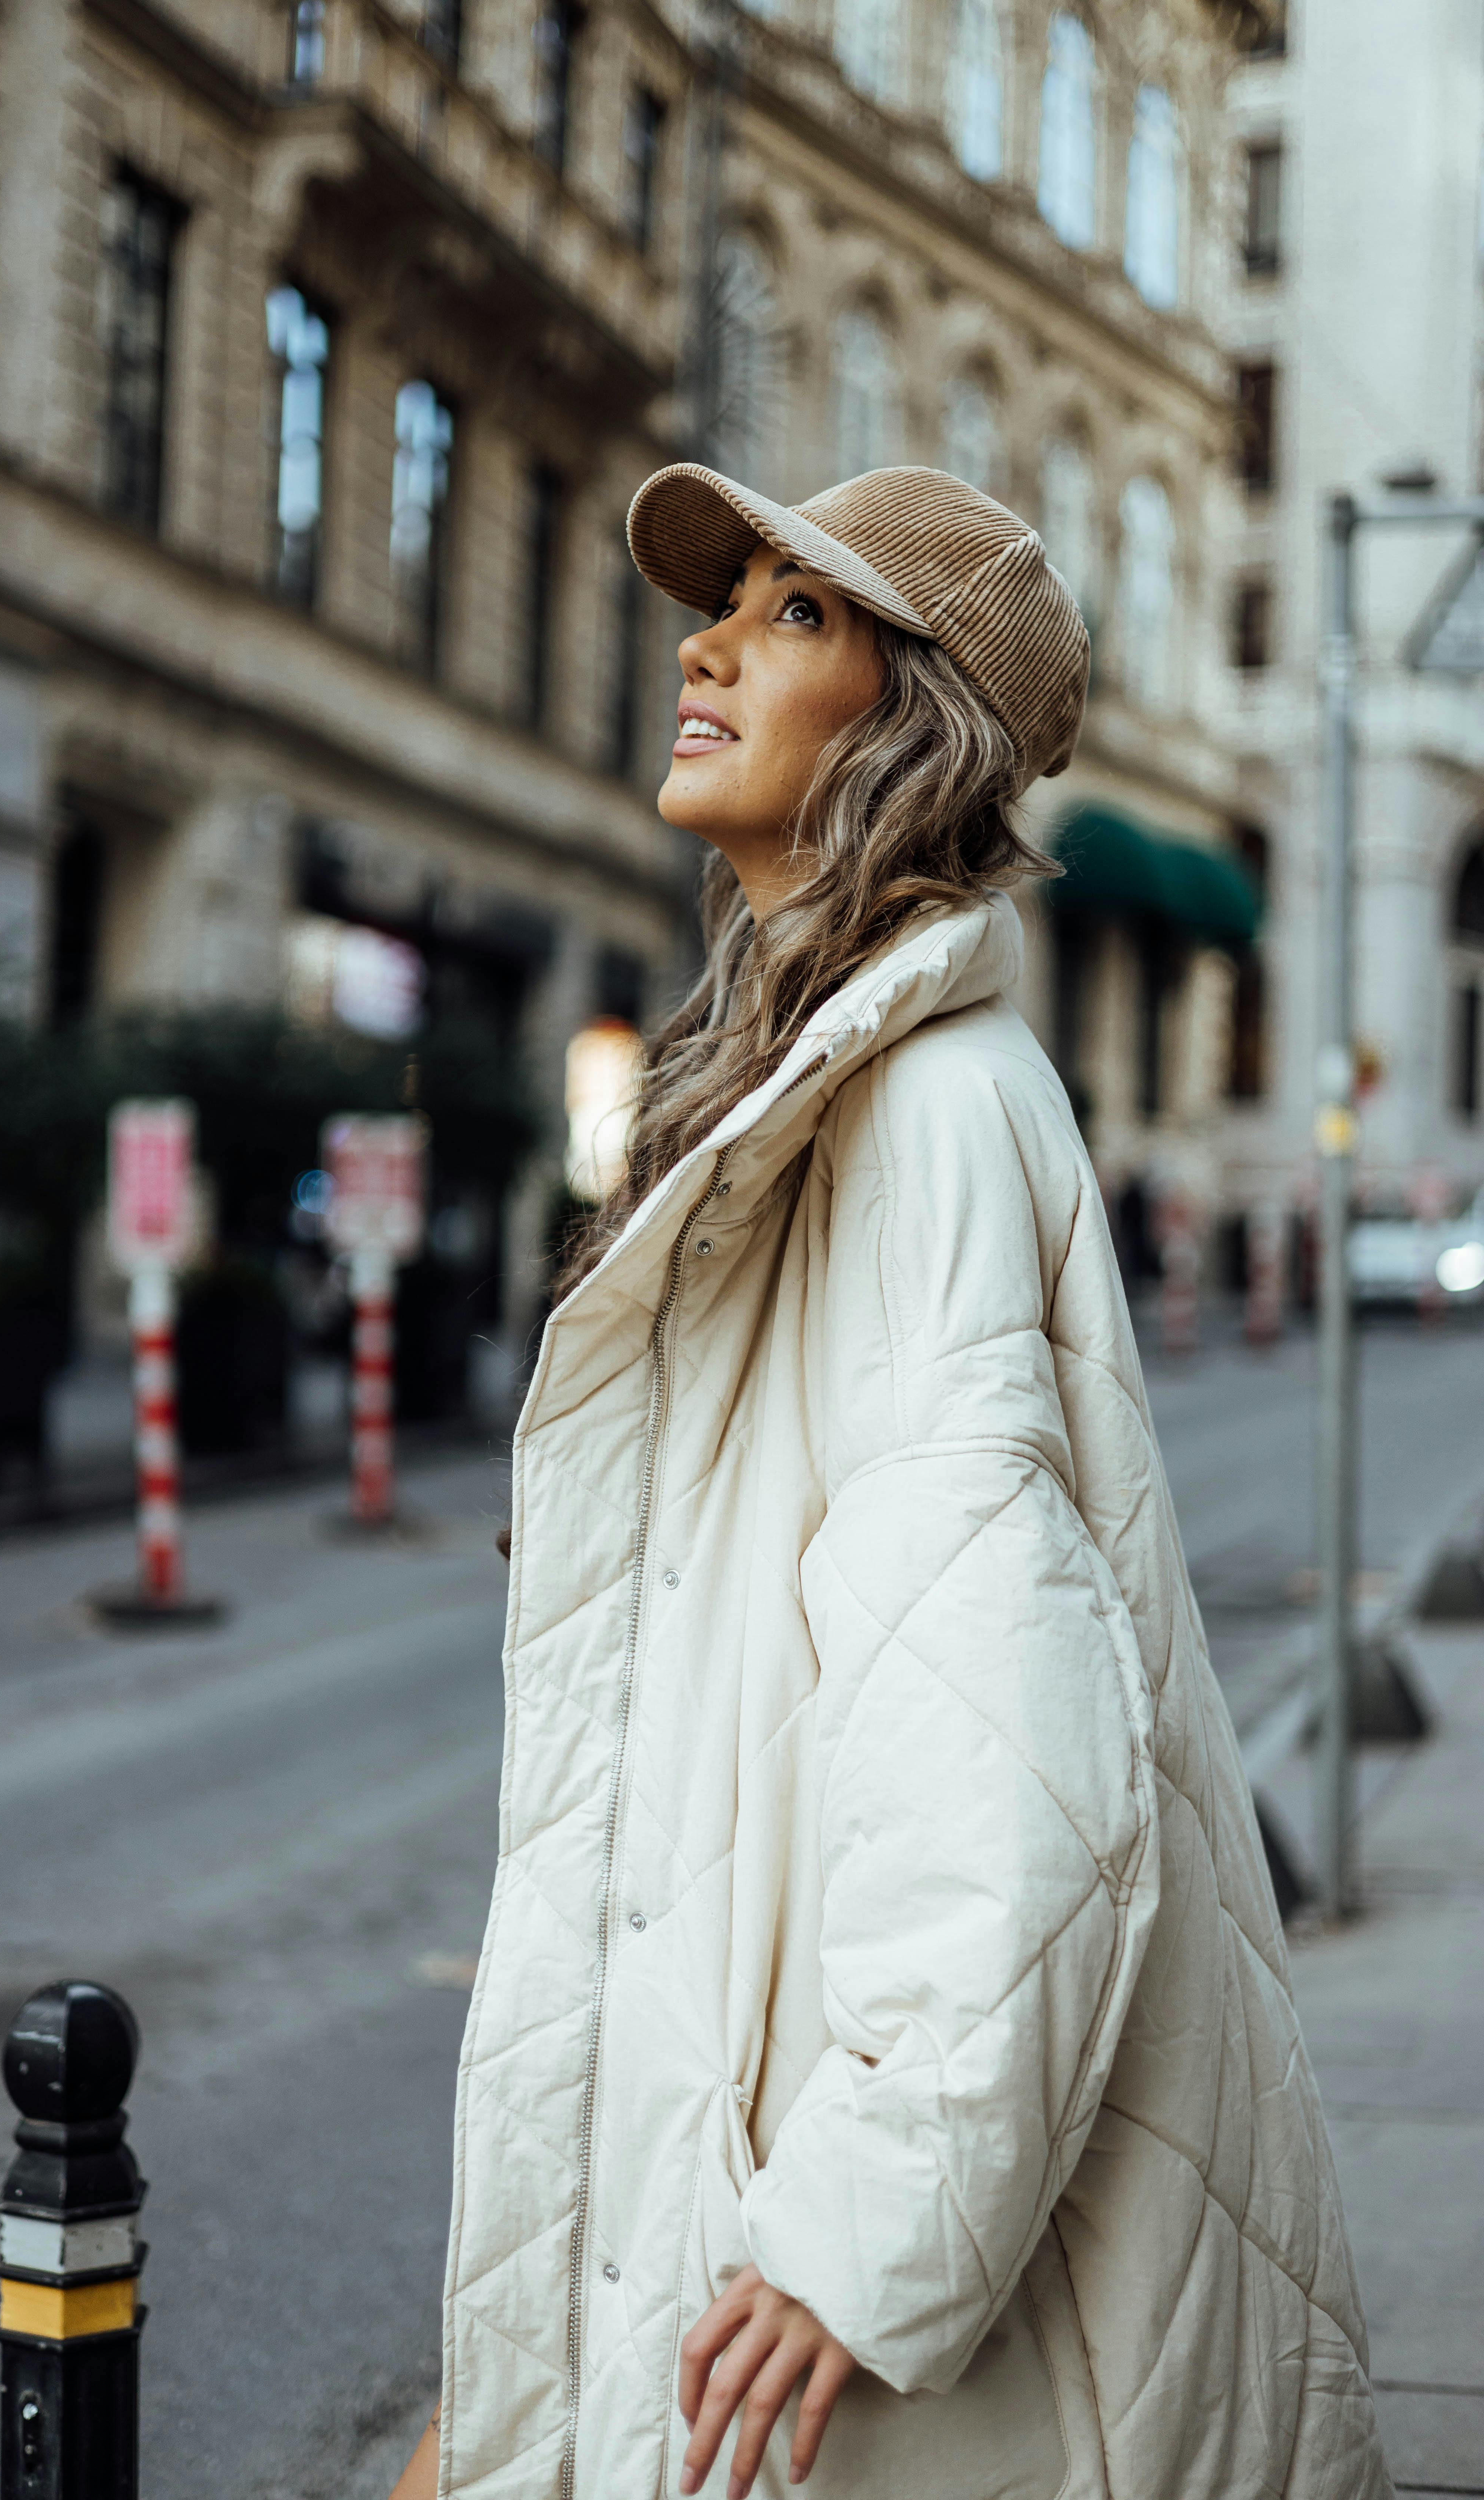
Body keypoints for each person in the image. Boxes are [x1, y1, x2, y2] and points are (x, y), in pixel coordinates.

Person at [392, 465, 1390, 2500]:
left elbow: (994, 1729)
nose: (705, 645)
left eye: (794, 615)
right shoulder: (822, 1093)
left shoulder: (921, 1111)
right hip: (754, 2145)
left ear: (909, 721)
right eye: (727, 604)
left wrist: (869, 2219)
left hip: (859, 2272)